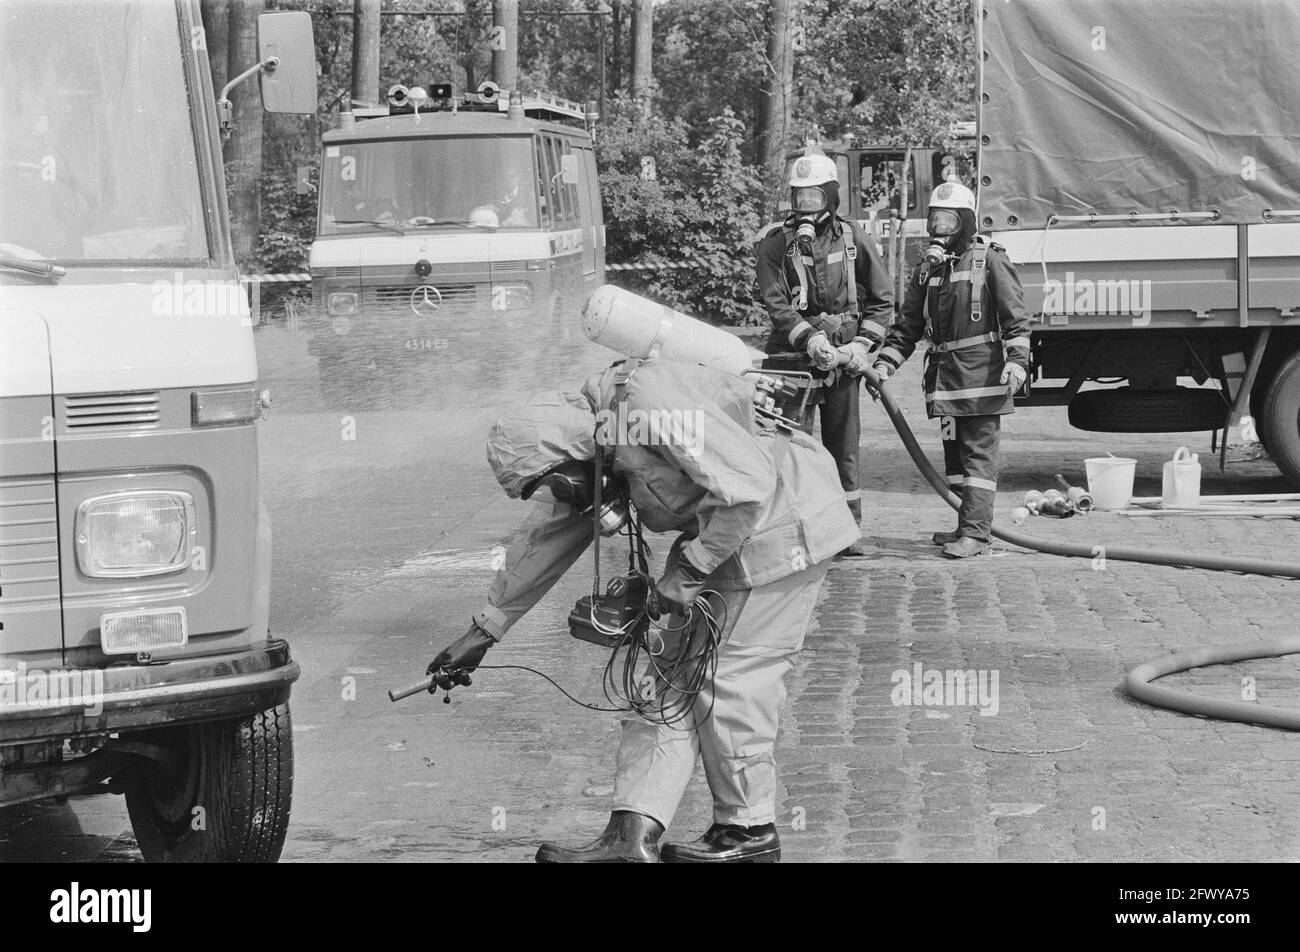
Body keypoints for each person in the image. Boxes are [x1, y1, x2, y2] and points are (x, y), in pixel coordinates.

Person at [426, 358, 860, 863]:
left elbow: (747, 488)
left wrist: (690, 572)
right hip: (724, 534)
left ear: (566, 451)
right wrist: (486, 630)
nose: (563, 495)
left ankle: (749, 833)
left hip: (784, 522)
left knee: (731, 680)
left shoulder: (647, 402)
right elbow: (547, 538)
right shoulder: (589, 443)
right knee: (661, 686)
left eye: (557, 484)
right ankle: (630, 837)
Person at [871, 181, 1033, 558]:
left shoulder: (989, 259)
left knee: (978, 457)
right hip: (944, 384)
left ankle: (977, 535)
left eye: (949, 220)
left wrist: (1018, 362)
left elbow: (1017, 319)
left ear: (965, 221)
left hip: (981, 381)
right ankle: (964, 525)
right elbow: (907, 327)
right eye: (935, 220)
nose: (940, 228)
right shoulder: (928, 270)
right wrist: (883, 365)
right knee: (956, 461)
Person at [755, 153, 894, 557]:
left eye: (814, 197)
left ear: (831, 197)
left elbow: (883, 302)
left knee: (842, 446)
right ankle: (789, 531)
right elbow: (775, 301)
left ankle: (845, 531)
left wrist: (859, 346)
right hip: (790, 358)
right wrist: (808, 339)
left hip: (844, 362)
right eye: (799, 198)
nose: (805, 207)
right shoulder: (776, 243)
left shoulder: (853, 239)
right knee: (786, 447)